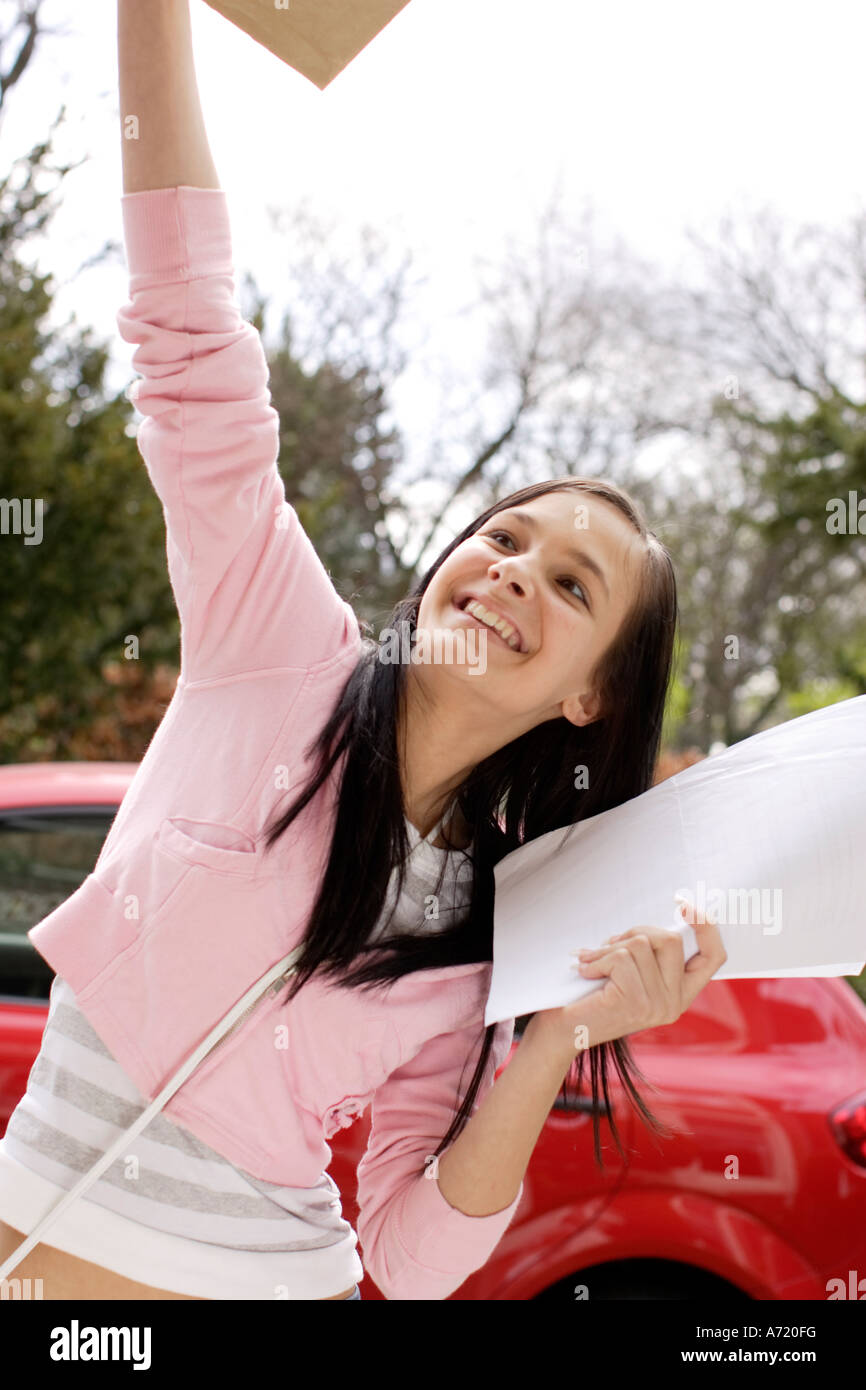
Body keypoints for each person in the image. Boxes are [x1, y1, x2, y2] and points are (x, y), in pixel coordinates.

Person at [0, 0, 726, 1301]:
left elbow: (408, 1248)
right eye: (505, 535)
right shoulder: (273, 647)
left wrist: (551, 1031)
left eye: (569, 583)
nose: (513, 571)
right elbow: (187, 330)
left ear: (586, 693)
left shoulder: (487, 935)